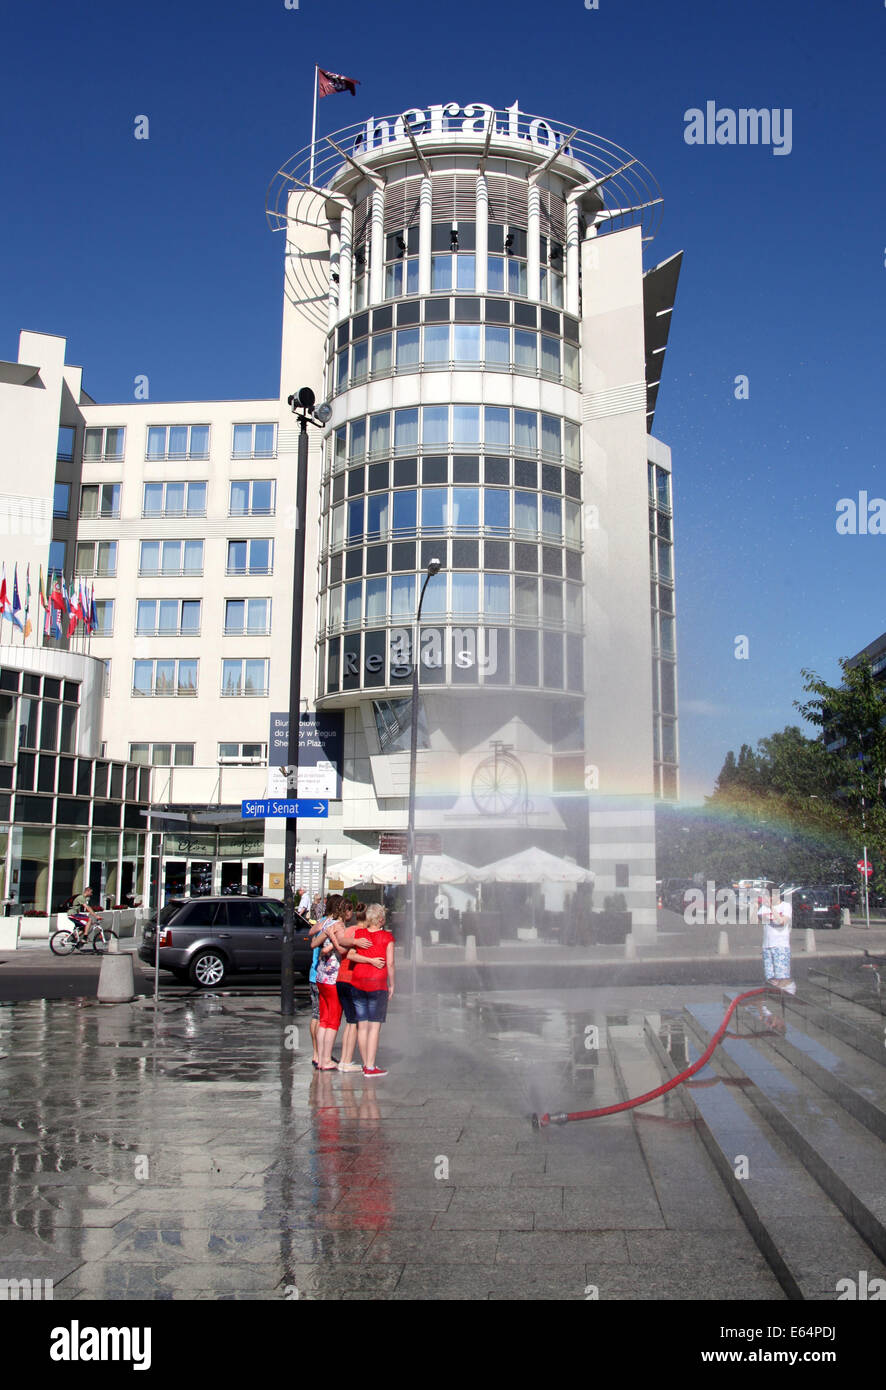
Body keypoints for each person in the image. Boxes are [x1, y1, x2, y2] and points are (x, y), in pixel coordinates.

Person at [347, 903, 395, 1077]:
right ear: (381, 919)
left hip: (358, 981)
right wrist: (392, 984)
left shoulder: (359, 934)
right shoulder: (386, 937)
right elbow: (389, 963)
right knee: (374, 1027)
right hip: (377, 984)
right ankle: (371, 1065)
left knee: (362, 1025)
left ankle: (365, 1064)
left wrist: (366, 959)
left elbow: (351, 955)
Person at [762, 895, 795, 993]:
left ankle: (790, 995)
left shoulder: (786, 906)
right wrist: (755, 905)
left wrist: (771, 907)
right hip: (767, 946)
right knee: (771, 979)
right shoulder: (764, 907)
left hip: (781, 946)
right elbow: (755, 919)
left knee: (782, 978)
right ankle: (774, 1001)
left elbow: (782, 922)